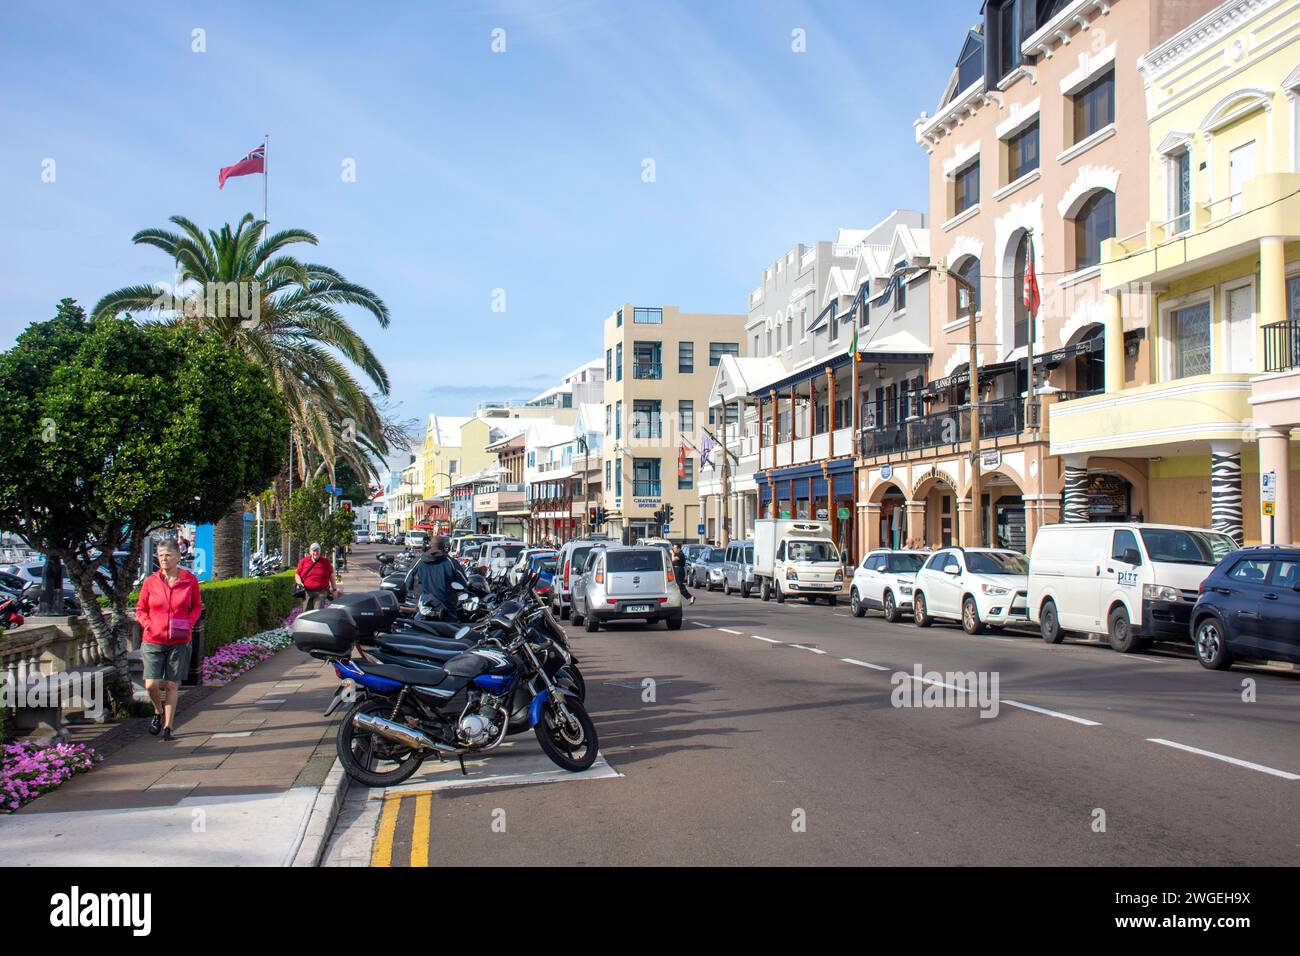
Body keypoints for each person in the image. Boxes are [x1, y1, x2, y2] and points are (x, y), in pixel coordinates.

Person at [136, 539, 203, 741]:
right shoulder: (151, 581)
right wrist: (148, 624)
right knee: (151, 684)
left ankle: (168, 726)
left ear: (178, 557)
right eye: (161, 555)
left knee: (172, 685)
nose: (164, 559)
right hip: (153, 639)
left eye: (168, 555)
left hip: (179, 639)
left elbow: (197, 606)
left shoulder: (188, 580)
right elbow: (140, 609)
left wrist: (188, 623)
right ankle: (157, 711)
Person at [410, 533, 468, 619]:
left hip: (425, 609)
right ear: (443, 546)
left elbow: (407, 582)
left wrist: (416, 598)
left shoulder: (419, 561)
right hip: (448, 610)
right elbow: (463, 583)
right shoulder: (451, 562)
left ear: (430, 545)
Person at [295, 542, 337, 610]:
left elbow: (331, 576)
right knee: (306, 614)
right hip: (307, 592)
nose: (316, 552)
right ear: (310, 552)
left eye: (317, 550)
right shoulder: (304, 561)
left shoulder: (325, 562)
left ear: (320, 551)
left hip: (321, 592)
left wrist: (334, 589)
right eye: (314, 550)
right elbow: (297, 574)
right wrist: (299, 582)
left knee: (317, 612)